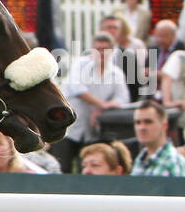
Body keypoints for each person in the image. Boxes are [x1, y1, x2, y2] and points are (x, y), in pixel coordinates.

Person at [54, 32, 129, 171]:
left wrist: (101, 110)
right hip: (69, 126)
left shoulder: (116, 73)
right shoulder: (80, 64)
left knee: (88, 168)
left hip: (92, 130)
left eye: (105, 49)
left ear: (112, 50)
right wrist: (102, 104)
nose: (101, 53)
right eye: (98, 48)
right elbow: (78, 89)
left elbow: (122, 98)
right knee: (62, 167)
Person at [130, 99, 185, 176]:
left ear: (164, 126)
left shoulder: (173, 162)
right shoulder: (140, 159)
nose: (142, 128)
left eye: (148, 122)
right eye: (138, 123)